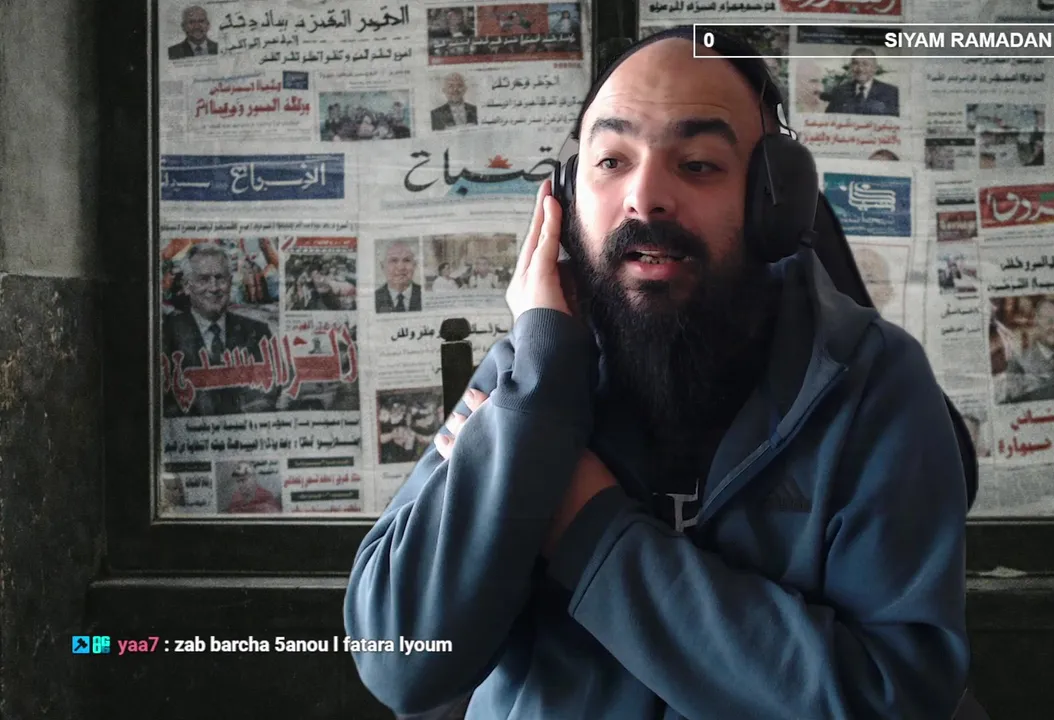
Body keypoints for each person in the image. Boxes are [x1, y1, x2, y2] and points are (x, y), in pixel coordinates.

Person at [345, 27, 969, 719]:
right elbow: (400, 658)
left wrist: (589, 528)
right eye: (611, 161)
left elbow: (890, 700)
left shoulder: (873, 384)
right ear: (565, 198)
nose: (645, 197)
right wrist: (539, 392)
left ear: (773, 200)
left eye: (698, 164)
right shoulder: (528, 375)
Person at [162, 244, 275, 416]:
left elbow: (269, 393)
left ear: (230, 282)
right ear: (186, 286)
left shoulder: (259, 333)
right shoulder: (165, 334)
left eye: (220, 278)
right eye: (203, 279)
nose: (214, 288)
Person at [820, 48, 899, 116]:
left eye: (865, 64)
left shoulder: (891, 92)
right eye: (855, 63)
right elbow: (829, 119)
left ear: (875, 68)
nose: (860, 69)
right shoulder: (839, 91)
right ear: (850, 67)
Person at [374, 241, 422, 313]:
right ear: (382, 266)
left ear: (414, 265)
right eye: (394, 260)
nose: (401, 267)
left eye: (407, 260)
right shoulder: (373, 299)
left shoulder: (424, 294)